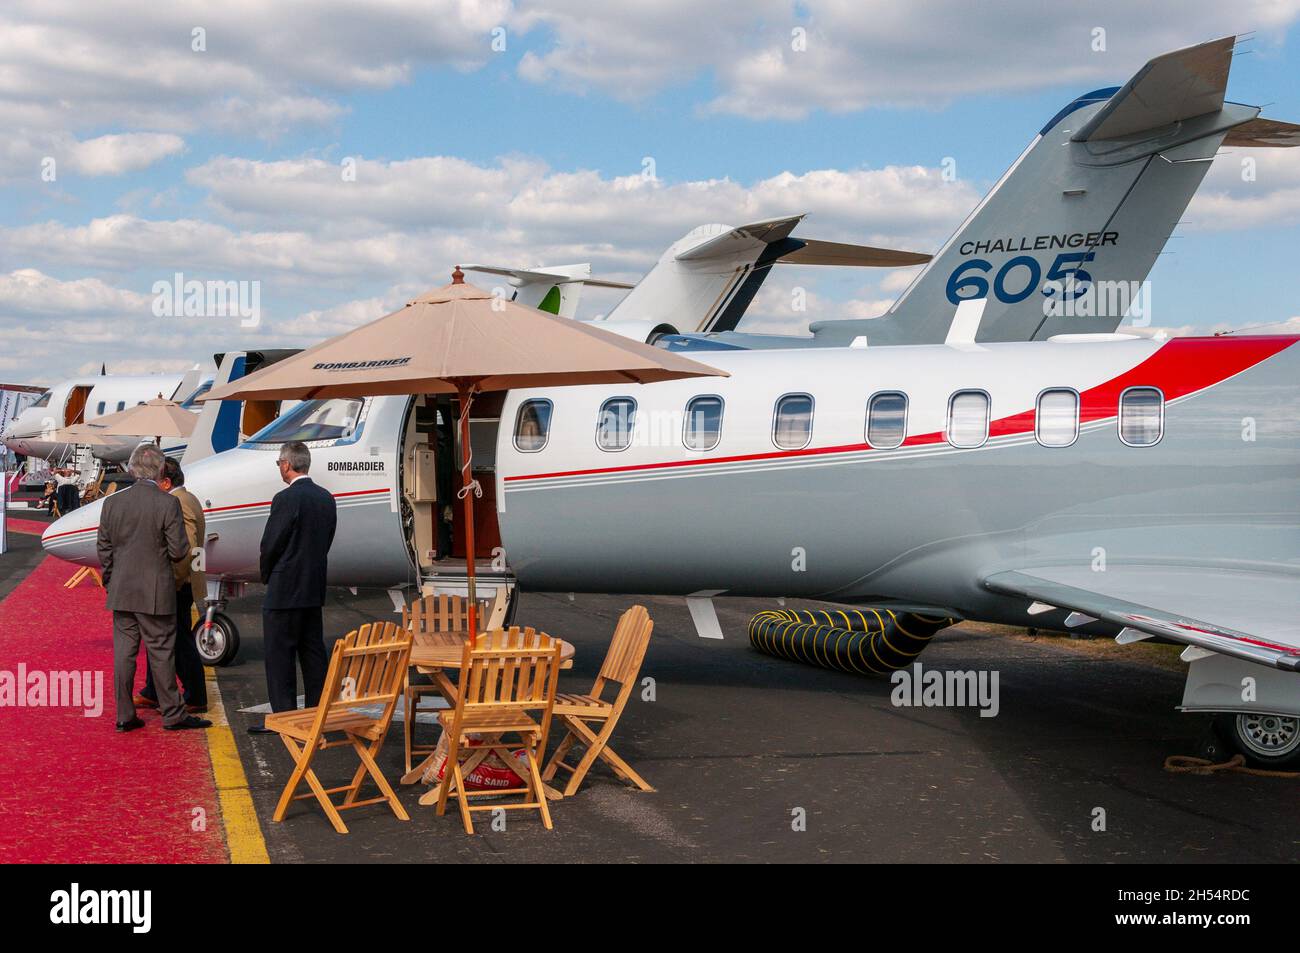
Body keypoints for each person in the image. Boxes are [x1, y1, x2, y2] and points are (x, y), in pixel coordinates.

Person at [96, 444, 211, 733]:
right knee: (161, 653)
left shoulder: (111, 503)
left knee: (124, 654)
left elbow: (104, 549)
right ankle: (172, 713)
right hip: (156, 590)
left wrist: (111, 579)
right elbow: (178, 550)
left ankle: (124, 715)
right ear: (161, 470)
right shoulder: (167, 504)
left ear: (132, 469)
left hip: (122, 589)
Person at [248, 441, 337, 734]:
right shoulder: (326, 498)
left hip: (285, 588)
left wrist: (267, 573)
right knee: (312, 653)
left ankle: (284, 717)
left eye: (279, 464)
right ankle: (315, 713)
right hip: (313, 586)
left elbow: (271, 542)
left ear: (287, 465)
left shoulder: (285, 499)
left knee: (279, 656)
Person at [134, 458, 208, 713]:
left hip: (177, 583)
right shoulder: (190, 498)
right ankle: (152, 690)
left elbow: (185, 545)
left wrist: (174, 582)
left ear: (166, 482)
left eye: (155, 481)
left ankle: (196, 694)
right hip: (185, 580)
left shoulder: (177, 502)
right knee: (163, 638)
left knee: (176, 641)